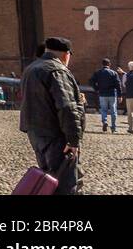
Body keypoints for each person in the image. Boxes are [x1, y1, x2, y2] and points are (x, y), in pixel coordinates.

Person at [19, 36, 84, 194]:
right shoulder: (57, 70)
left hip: (36, 133)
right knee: (67, 183)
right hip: (56, 135)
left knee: (50, 179)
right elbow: (67, 107)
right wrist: (73, 139)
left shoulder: (31, 69)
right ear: (66, 54)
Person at [89, 58, 122, 133]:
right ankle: (113, 128)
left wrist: (96, 89)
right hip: (112, 94)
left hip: (102, 94)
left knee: (103, 110)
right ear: (109, 64)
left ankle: (105, 122)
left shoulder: (98, 72)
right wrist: (120, 95)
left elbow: (91, 81)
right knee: (113, 111)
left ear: (102, 64)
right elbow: (118, 84)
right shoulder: (113, 73)